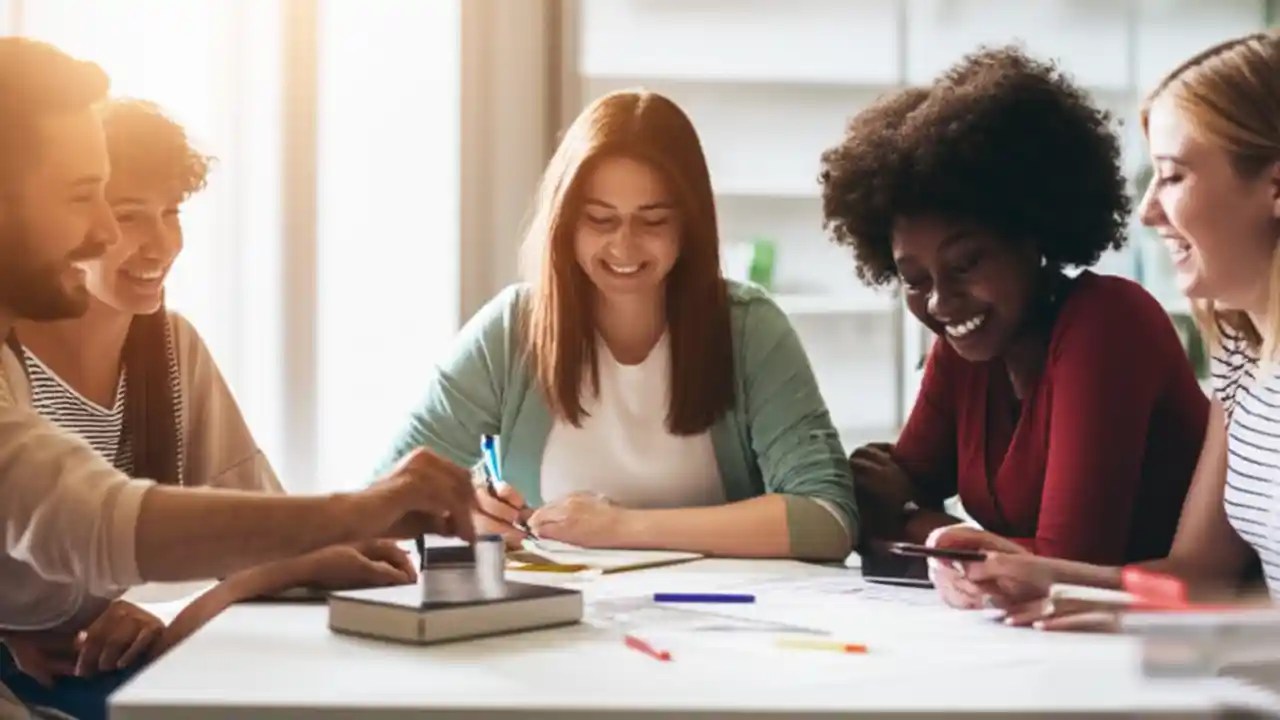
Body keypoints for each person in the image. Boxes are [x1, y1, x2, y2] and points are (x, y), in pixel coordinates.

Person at [0, 36, 474, 715]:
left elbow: (216, 519)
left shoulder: (167, 350)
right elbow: (92, 520)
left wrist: (324, 539)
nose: (111, 236)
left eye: (169, 212)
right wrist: (351, 515)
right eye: (89, 199)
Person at [377, 89, 857, 560]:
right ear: (565, 222)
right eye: (600, 220)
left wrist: (625, 527)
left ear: (689, 224)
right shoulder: (512, 331)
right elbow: (380, 502)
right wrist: (460, 514)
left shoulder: (749, 329)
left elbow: (827, 518)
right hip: (560, 627)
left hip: (716, 622)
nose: (624, 248)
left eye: (652, 222)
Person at [926, 30, 1280, 629]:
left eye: (1171, 176)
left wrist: (1143, 622)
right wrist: (1045, 575)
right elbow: (1201, 577)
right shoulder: (1244, 354)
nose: (1147, 210)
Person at [818, 46, 1208, 564]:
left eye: (966, 264)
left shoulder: (1107, 324)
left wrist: (917, 521)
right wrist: (900, 512)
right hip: (1063, 635)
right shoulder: (965, 347)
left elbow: (1066, 563)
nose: (939, 301)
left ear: (1031, 236)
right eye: (913, 280)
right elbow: (875, 501)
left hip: (1182, 633)